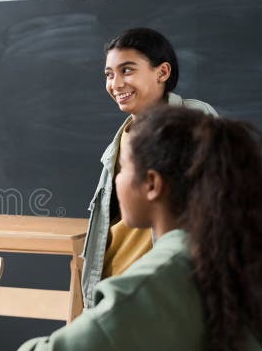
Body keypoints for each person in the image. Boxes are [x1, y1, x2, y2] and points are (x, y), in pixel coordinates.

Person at [14, 106, 262, 351]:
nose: (116, 182)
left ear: (153, 184)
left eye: (122, 169)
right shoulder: (245, 255)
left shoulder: (152, 284)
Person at [81, 28, 218, 308]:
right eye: (109, 74)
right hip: (113, 286)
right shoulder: (122, 138)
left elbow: (232, 200)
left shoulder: (193, 120)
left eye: (127, 70)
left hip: (159, 294)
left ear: (162, 72)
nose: (116, 83)